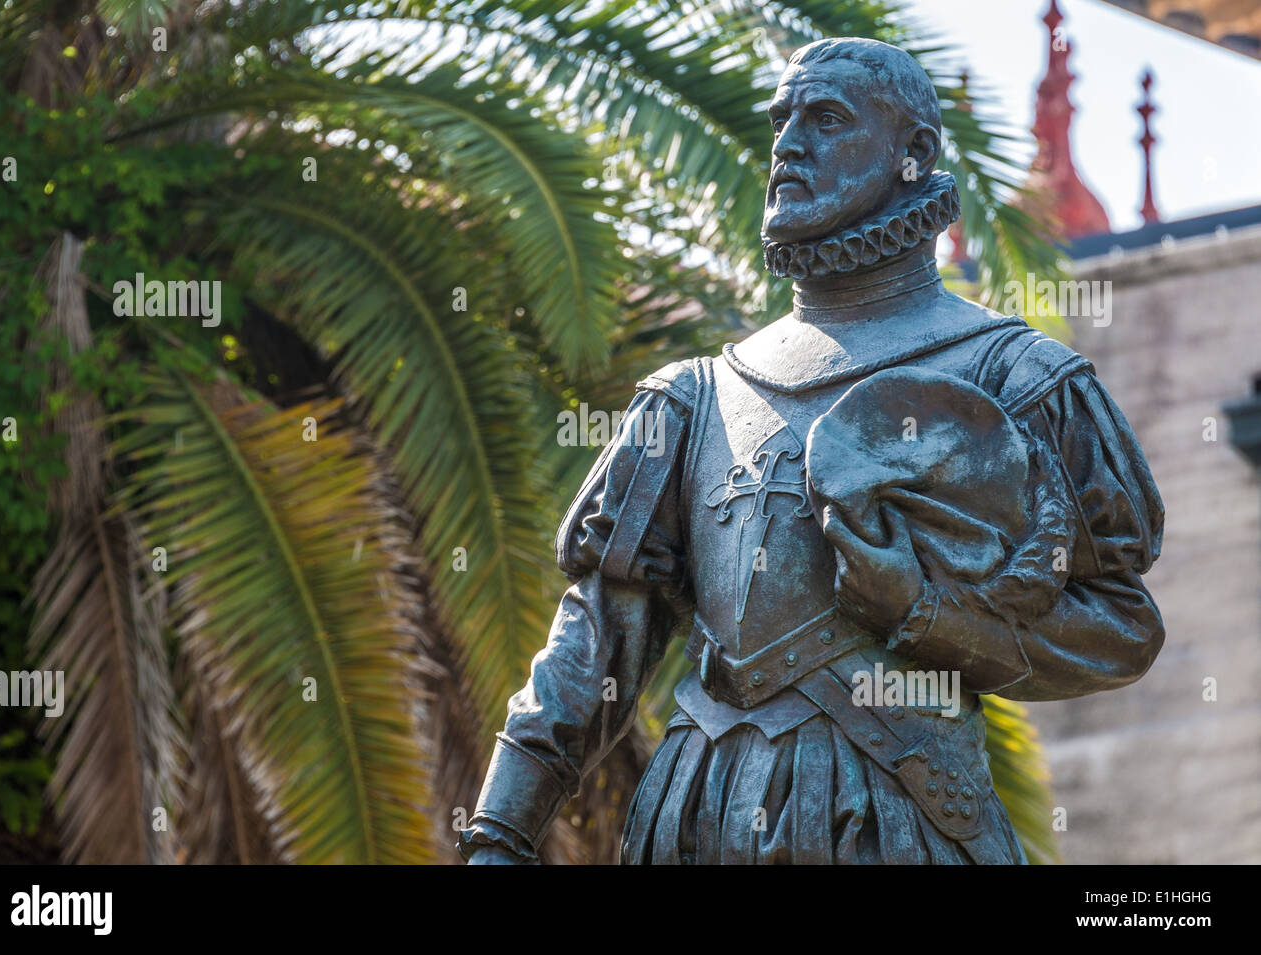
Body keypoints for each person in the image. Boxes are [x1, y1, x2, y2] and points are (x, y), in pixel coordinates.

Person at [459, 37, 1164, 865]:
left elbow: (1121, 627)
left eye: (826, 119)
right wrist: (499, 834)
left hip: (893, 820)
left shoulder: (1015, 377)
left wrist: (925, 614)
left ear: (915, 155)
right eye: (780, 119)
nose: (788, 144)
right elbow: (592, 643)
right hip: (689, 824)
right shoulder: (692, 397)